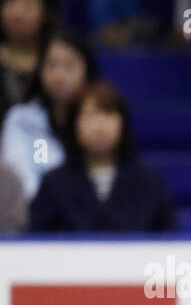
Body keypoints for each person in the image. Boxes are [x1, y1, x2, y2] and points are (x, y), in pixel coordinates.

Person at [30, 80, 176, 232]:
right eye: (90, 115)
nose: (99, 126)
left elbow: (167, 239)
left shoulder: (149, 181)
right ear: (74, 124)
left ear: (123, 123)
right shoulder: (54, 184)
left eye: (108, 114)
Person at [0, 30, 95, 199]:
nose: (59, 76)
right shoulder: (22, 119)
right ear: (40, 70)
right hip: (41, 216)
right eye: (51, 65)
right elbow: (22, 176)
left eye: (69, 65)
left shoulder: (101, 117)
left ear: (87, 69)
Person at [0, 0, 56, 129]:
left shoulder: (60, 56)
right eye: (10, 0)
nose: (17, 12)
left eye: (28, 3)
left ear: (46, 9)